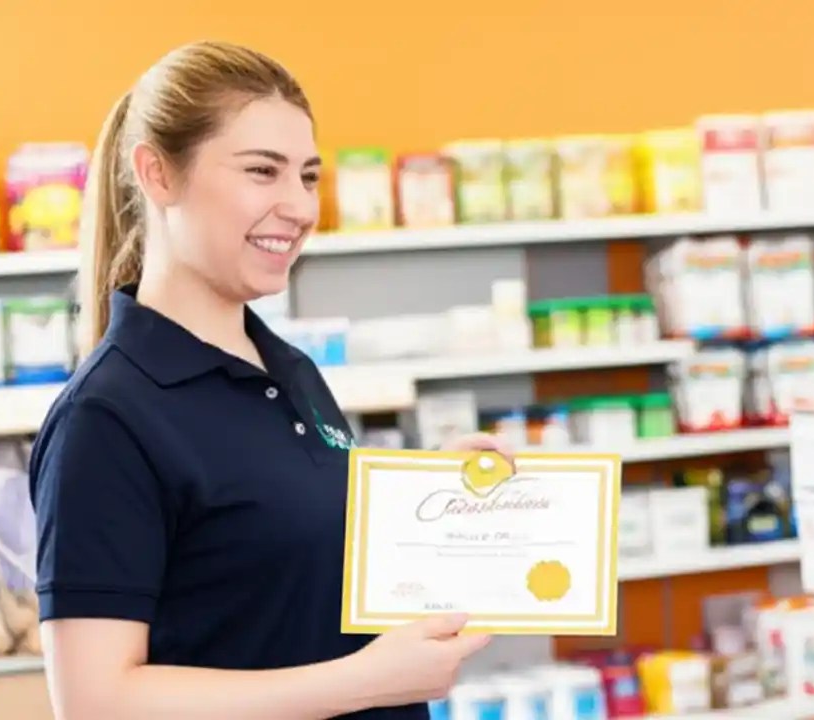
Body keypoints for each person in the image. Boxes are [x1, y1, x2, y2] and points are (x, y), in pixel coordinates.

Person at [28, 40, 501, 719]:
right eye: (262, 172)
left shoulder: (289, 368)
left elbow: (276, 567)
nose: (301, 207)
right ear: (158, 175)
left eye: (307, 177)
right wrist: (366, 680)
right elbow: (98, 703)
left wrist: (427, 500)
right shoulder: (106, 418)